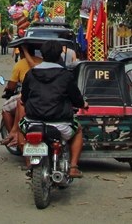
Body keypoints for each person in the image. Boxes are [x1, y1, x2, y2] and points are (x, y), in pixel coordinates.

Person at [21, 40, 88, 179]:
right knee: (78, 130)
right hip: (61, 124)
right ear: (59, 56)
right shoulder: (66, 75)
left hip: (32, 123)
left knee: (20, 128)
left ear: (42, 55)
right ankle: (73, 167)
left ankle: (28, 163)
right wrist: (83, 104)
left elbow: (24, 98)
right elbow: (77, 99)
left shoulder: (31, 74)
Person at [0, 43, 40, 146]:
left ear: (23, 53)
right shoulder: (43, 63)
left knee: (6, 108)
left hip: (29, 98)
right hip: (44, 100)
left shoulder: (21, 65)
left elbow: (12, 86)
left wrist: (8, 90)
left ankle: (13, 135)